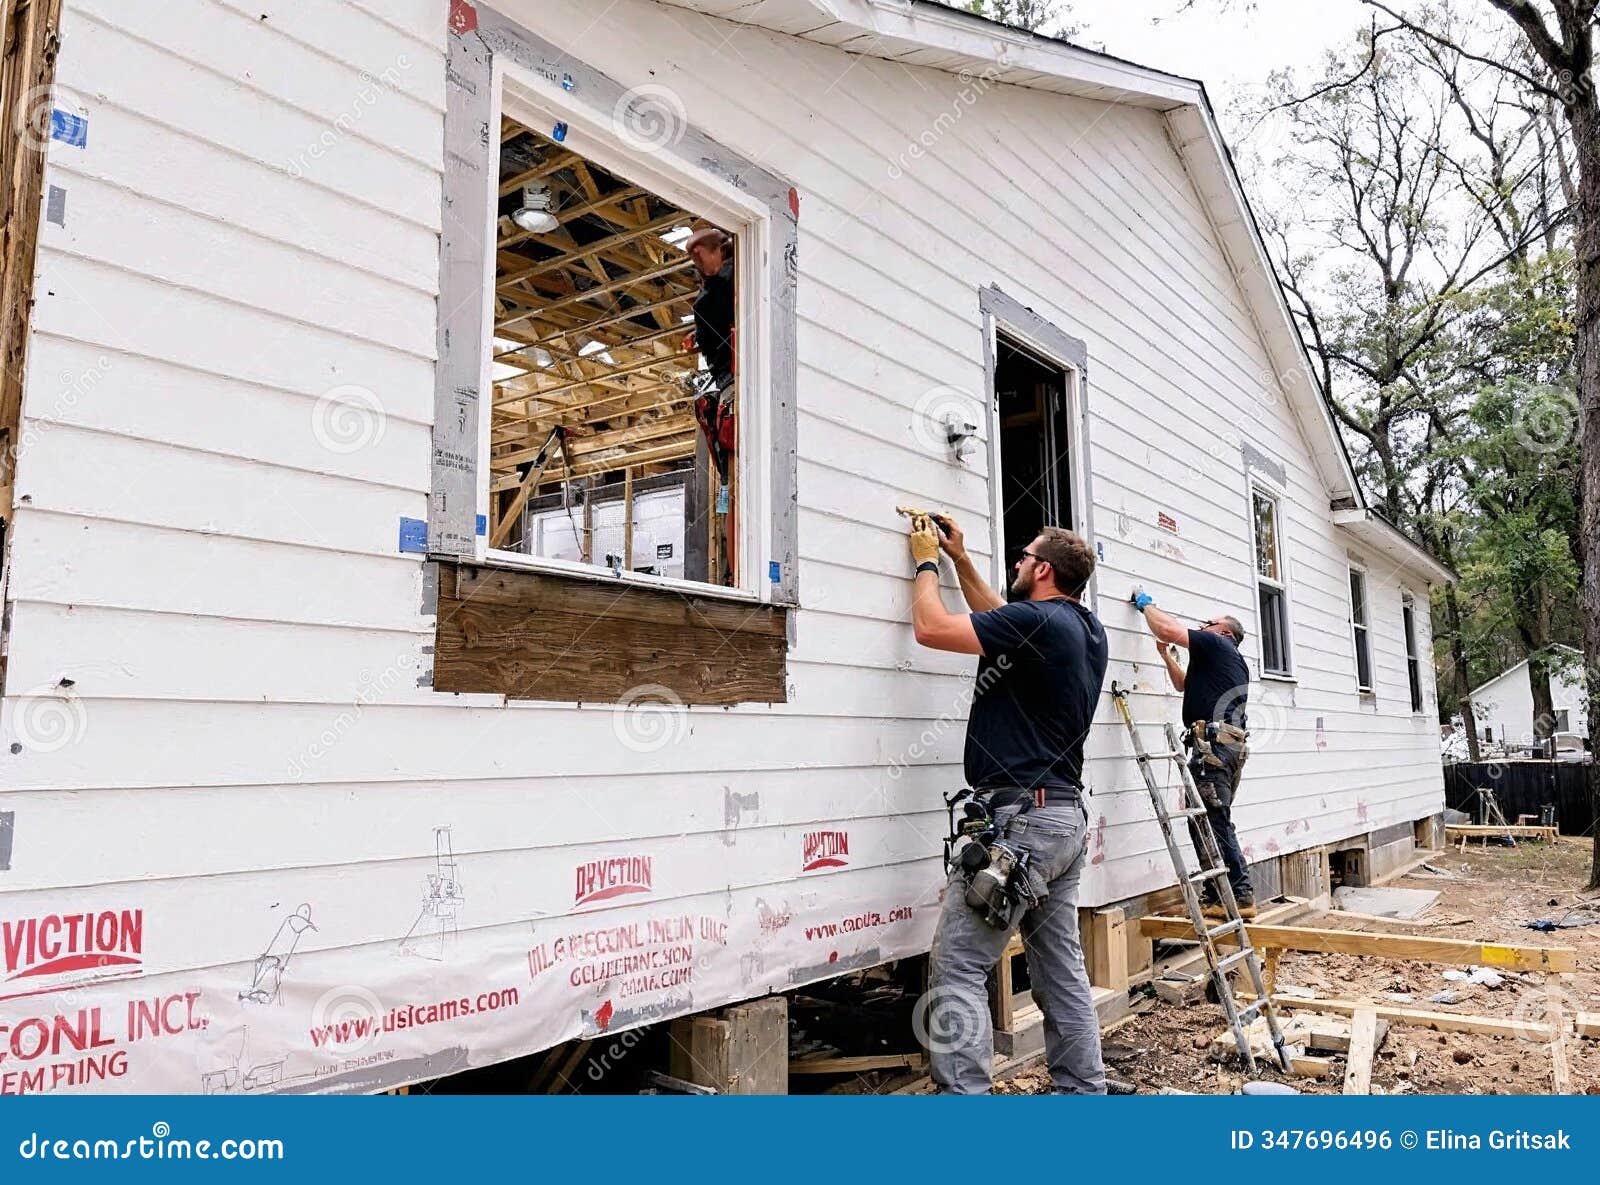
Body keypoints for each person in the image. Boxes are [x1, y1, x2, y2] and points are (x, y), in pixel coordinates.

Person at [907, 513, 1108, 1094]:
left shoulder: (1039, 622)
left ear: (1043, 570)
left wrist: (925, 561)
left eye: (1023, 556)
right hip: (1063, 820)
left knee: (960, 965)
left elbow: (930, 627)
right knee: (1059, 966)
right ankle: (1081, 1091)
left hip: (1020, 824)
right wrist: (960, 560)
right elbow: (1001, 618)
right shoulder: (1082, 628)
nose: (1016, 562)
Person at [1132, 591, 1255, 919]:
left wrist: (1146, 605)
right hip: (1224, 746)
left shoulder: (1218, 645)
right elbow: (1183, 685)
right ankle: (1221, 893)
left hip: (1213, 747)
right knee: (1212, 820)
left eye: (1209, 623)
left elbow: (1169, 629)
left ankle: (1239, 894)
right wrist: (1166, 657)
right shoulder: (1220, 659)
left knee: (1212, 820)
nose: (1202, 626)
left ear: (1225, 632)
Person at [684, 223, 735, 483]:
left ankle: (729, 484)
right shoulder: (728, 279)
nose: (698, 263)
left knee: (731, 434)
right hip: (728, 374)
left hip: (733, 374)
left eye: (700, 255)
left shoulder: (722, 285)